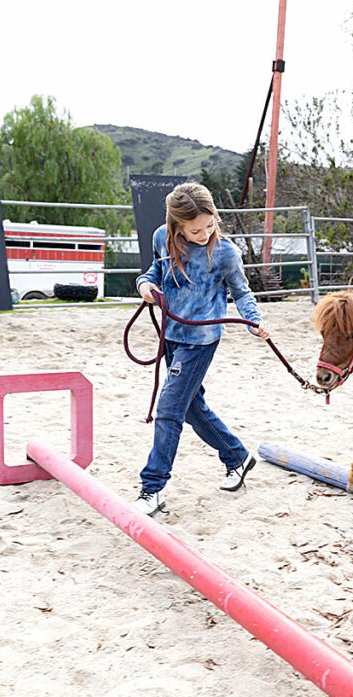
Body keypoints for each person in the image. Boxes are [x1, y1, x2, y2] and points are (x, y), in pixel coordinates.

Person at [133, 182, 271, 516]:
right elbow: (156, 269)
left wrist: (254, 320)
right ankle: (237, 456)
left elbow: (241, 292)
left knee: (169, 409)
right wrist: (145, 284)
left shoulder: (225, 251)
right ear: (175, 225)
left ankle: (152, 488)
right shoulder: (160, 238)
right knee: (191, 407)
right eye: (195, 230)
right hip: (172, 333)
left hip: (201, 340)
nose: (205, 233)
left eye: (210, 225)